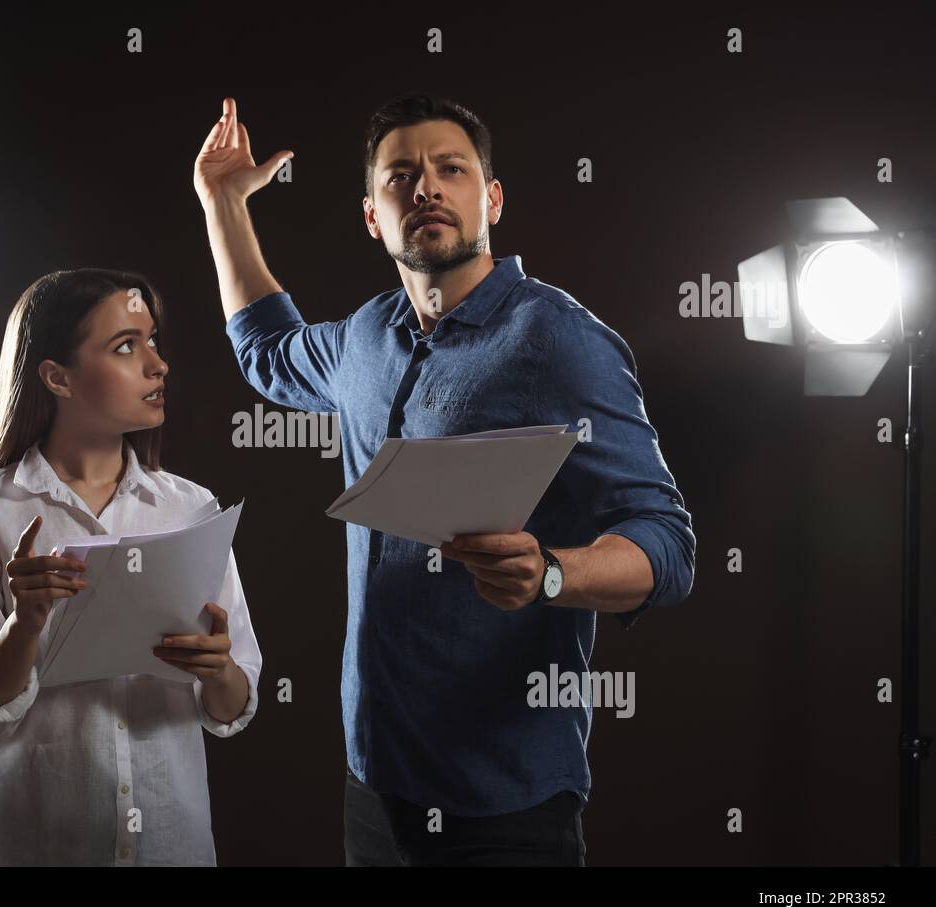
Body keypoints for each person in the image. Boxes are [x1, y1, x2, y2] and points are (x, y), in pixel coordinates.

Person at [193, 93, 695, 866]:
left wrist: (553, 574)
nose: (425, 187)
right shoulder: (363, 336)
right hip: (374, 787)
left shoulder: (560, 340)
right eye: (400, 176)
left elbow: (667, 546)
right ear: (372, 215)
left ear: (490, 198)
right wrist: (224, 203)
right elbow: (267, 349)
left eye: (450, 169)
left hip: (505, 804)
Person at [0, 267, 261, 866]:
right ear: (57, 377)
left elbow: (235, 702)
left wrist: (218, 672)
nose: (158, 365)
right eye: (126, 346)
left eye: (153, 341)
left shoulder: (191, 508)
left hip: (172, 846)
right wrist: (24, 624)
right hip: (34, 847)